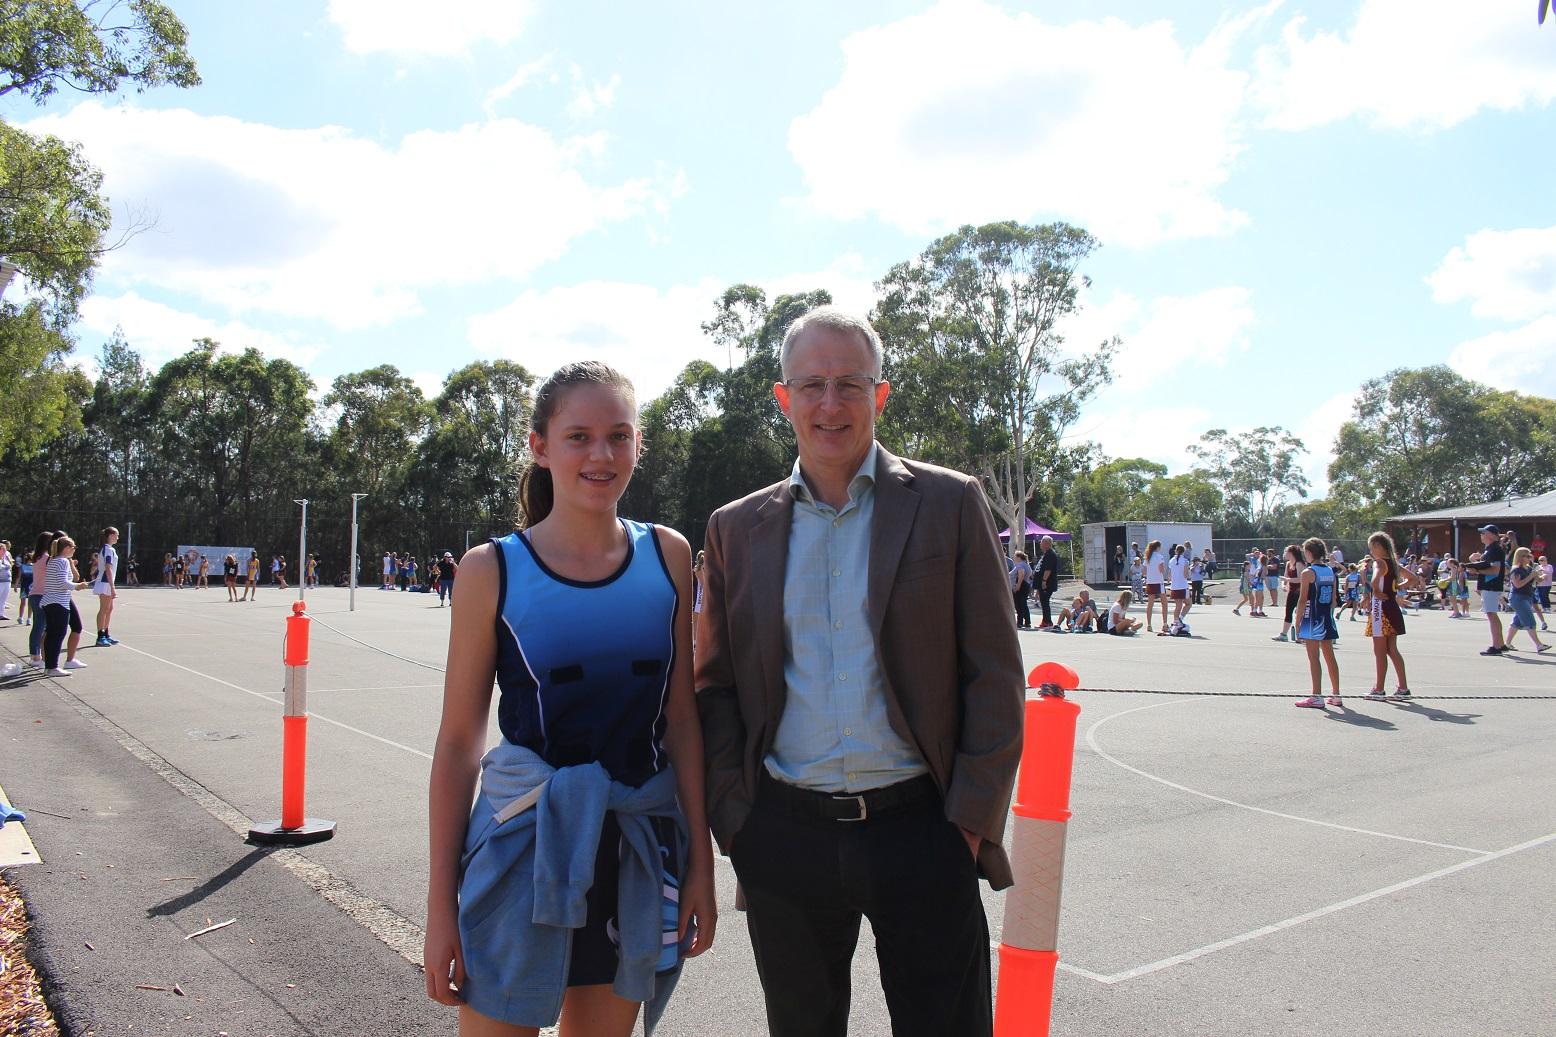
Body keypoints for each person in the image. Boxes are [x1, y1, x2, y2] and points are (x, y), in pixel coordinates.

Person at [695, 307, 1024, 1037]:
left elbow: (995, 674)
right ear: (783, 398)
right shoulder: (735, 528)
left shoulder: (949, 502)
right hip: (784, 835)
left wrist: (968, 825)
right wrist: (738, 823)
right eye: (811, 384)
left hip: (925, 829)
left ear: (880, 394)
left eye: (850, 383)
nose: (830, 402)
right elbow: (714, 685)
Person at [424, 361, 714, 1036]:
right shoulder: (490, 569)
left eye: (618, 435)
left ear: (638, 444)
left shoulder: (668, 555)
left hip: (634, 858)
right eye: (578, 436)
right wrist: (441, 906)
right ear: (539, 446)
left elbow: (681, 722)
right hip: (522, 853)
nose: (600, 454)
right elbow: (459, 744)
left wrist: (699, 862)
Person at [1361, 532, 1420, 701]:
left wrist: (1376, 590)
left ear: (1378, 546)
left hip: (1381, 610)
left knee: (1380, 651)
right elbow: (1413, 579)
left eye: (1372, 548)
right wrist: (1399, 586)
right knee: (1392, 649)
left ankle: (1379, 689)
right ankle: (1403, 688)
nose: (1371, 552)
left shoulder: (1379, 562)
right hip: (1392, 608)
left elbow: (1375, 580)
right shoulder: (1394, 564)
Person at [1293, 537, 1341, 709]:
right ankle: (1336, 694)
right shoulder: (1329, 570)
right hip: (1326, 616)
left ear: (1308, 553)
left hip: (1312, 618)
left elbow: (1302, 600)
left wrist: (1298, 621)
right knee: (1330, 655)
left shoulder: (1308, 572)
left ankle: (1316, 695)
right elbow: (1334, 599)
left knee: (1314, 657)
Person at [40, 533, 91, 676]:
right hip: (58, 603)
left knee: (52, 634)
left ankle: (49, 666)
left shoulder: (53, 560)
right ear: (66, 548)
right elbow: (63, 583)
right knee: (57, 635)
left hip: (50, 601)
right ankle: (52, 667)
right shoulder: (62, 561)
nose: (74, 549)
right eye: (73, 547)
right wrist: (78, 586)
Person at [1462, 524, 1508, 655]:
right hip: (1490, 585)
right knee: (1492, 614)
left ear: (1491, 535)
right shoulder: (1490, 549)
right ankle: (1500, 644)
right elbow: (1487, 565)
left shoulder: (1495, 550)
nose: (1481, 535)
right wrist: (1474, 561)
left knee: (1491, 614)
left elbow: (1495, 570)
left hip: (1491, 585)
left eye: (1484, 533)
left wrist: (1476, 570)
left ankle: (1496, 646)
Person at [1504, 547, 1551, 653]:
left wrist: (1541, 576)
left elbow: (1537, 580)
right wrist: (1531, 576)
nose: (1530, 558)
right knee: (1530, 621)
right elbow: (1517, 585)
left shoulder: (1529, 568)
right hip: (1518, 598)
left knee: (1517, 622)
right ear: (1520, 557)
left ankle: (1507, 643)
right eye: (1527, 556)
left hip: (1527, 597)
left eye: (1530, 556)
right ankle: (1539, 645)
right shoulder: (1516, 569)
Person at [93, 526, 119, 646]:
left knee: (109, 609)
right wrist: (112, 587)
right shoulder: (107, 549)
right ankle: (100, 636)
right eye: (116, 535)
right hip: (104, 583)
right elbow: (108, 568)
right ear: (111, 535)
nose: (118, 537)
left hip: (108, 582)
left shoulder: (110, 549)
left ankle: (106, 634)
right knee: (104, 609)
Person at [1164, 543, 1191, 636]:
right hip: (1183, 586)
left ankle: (1176, 622)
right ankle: (1180, 619)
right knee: (1188, 603)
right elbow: (1186, 575)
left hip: (1174, 586)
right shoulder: (1185, 561)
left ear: (1175, 551)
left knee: (1178, 606)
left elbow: (1169, 576)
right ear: (1183, 552)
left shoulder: (1171, 560)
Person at [1034, 535, 1060, 629]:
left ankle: (1047, 622)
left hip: (1048, 583)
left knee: (1045, 602)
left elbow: (1048, 570)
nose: (1040, 543)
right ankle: (1045, 620)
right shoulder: (1046, 554)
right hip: (1042, 584)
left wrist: (1044, 581)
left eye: (1042, 541)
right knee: (1043, 601)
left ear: (1046, 543)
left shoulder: (1050, 555)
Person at [1142, 539, 1166, 632]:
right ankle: (1164, 623)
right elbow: (1161, 569)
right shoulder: (1160, 556)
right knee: (1164, 603)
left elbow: (1144, 572)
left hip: (1150, 581)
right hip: (1159, 581)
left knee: (1150, 603)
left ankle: (1149, 624)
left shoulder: (1147, 557)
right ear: (1158, 547)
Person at [1009, 550, 1033, 629]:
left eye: (1015, 556)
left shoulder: (1020, 565)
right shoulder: (1026, 564)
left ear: (1019, 557)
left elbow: (1021, 574)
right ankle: (1027, 622)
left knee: (1019, 605)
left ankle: (1020, 622)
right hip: (1025, 585)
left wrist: (1018, 586)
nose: (1014, 558)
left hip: (1021, 585)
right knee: (1023, 604)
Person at [1537, 553, 1553, 631]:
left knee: (1545, 595)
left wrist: (1542, 571)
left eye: (1543, 560)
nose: (1542, 561)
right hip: (1539, 584)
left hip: (1547, 584)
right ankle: (1544, 607)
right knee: (1541, 596)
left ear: (1546, 560)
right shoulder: (1538, 566)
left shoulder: (1549, 566)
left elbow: (1549, 572)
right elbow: (1536, 573)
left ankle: (1548, 607)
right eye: (1540, 560)